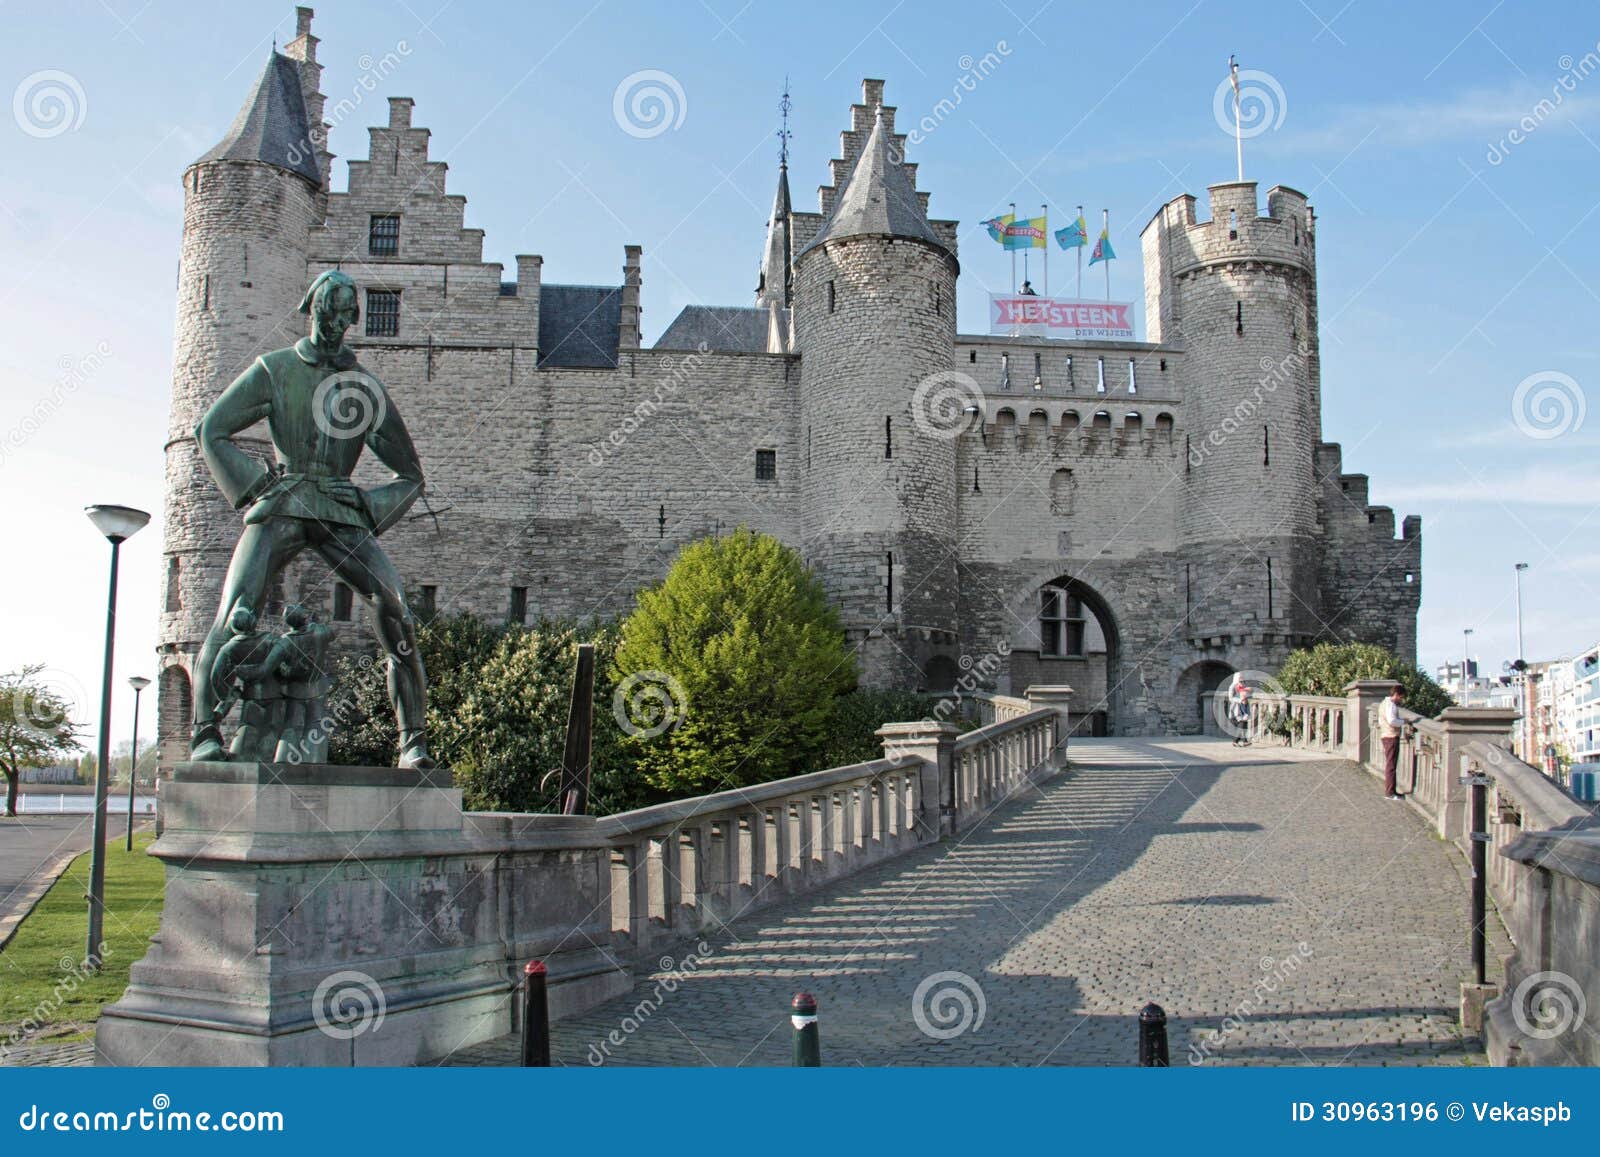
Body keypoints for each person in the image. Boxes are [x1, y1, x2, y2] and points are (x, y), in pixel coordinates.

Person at [189, 270, 433, 768]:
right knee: (235, 608)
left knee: (395, 607)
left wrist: (366, 503)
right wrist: (255, 488)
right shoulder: (275, 369)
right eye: (327, 313)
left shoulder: (364, 388)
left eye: (344, 315)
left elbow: (410, 473)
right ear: (311, 310)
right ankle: (205, 733)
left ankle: (412, 743)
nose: (335, 324)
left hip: (339, 512)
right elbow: (210, 429)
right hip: (282, 504)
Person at [1379, 684, 1407, 799]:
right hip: (1391, 736)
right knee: (1391, 765)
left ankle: (1392, 791)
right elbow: (1392, 721)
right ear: (1396, 694)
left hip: (1385, 735)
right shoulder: (1391, 705)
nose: (1401, 700)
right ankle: (1390, 793)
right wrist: (1403, 722)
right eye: (1401, 697)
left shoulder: (1383, 703)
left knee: (1391, 764)